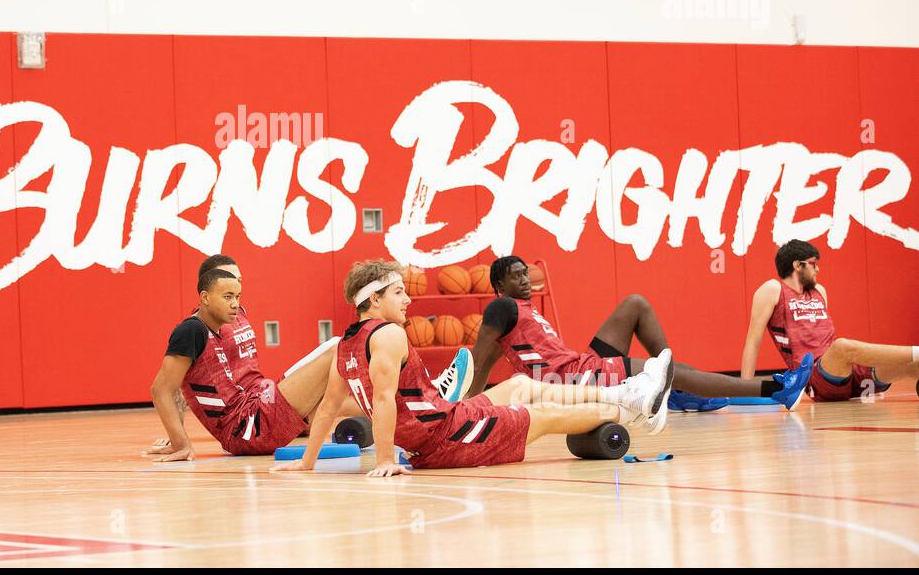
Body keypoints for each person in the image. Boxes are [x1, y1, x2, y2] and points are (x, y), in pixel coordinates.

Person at [275, 259, 673, 478]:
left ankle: (627, 392)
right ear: (374, 300)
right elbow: (381, 401)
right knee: (541, 414)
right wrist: (383, 460)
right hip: (448, 439)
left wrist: (308, 461)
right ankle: (628, 410)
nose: (407, 301)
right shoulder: (388, 336)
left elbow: (326, 408)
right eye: (398, 293)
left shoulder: (344, 343)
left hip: (446, 420)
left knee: (520, 384)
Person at [145, 254, 472, 461]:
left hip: (262, 399)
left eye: (239, 287)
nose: (236, 294)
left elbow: (207, 380)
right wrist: (179, 438)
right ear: (206, 292)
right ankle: (432, 392)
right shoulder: (191, 330)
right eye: (227, 290)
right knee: (337, 349)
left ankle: (427, 403)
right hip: (247, 425)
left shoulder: (236, 315)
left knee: (332, 401)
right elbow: (168, 386)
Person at [466, 256, 812, 410]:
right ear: (500, 284)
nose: (525, 280)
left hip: (580, 367)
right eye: (516, 275)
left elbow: (495, 359)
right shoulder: (500, 308)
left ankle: (672, 388)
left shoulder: (518, 310)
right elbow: (479, 366)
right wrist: (464, 409)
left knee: (635, 303)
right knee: (680, 374)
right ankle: (777, 388)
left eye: (526, 273)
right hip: (574, 380)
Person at [741, 239, 919, 401]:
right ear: (797, 265)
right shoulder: (772, 289)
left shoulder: (820, 291)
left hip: (844, 372)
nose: (817, 269)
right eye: (813, 264)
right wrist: (744, 389)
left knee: (913, 365)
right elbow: (753, 341)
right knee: (842, 346)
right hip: (815, 379)